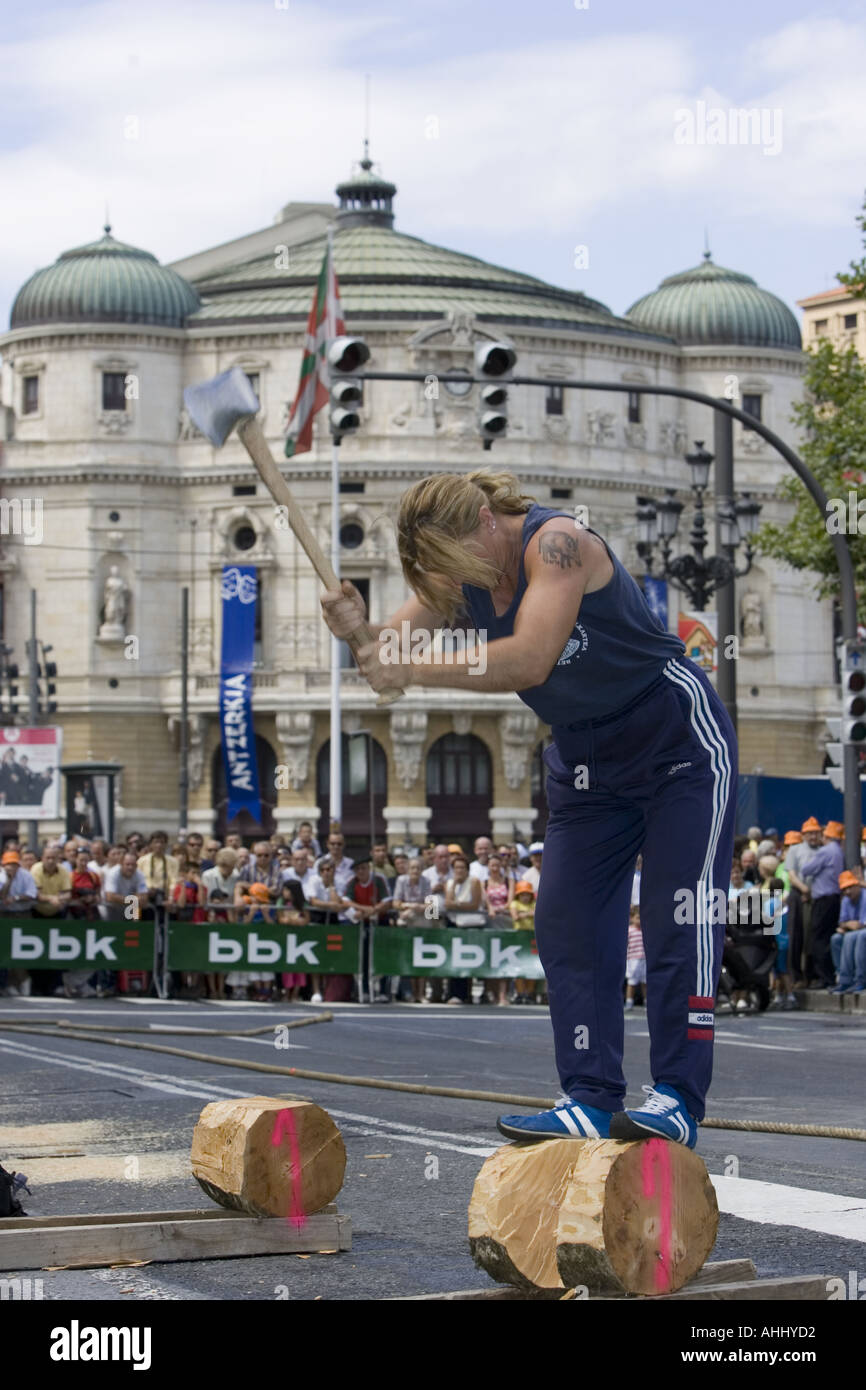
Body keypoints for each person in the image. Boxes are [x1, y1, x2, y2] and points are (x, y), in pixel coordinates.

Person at [321, 468, 737, 1146]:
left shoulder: (559, 545)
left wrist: (405, 670)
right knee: (567, 923)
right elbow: (388, 648)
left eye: (460, 564)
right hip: (583, 758)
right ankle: (589, 1096)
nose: (461, 583)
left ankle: (678, 1098)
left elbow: (529, 659)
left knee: (677, 918)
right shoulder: (464, 567)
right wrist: (357, 630)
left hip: (676, 744)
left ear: (486, 520)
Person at [800, 820, 844, 988]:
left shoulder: (825, 851)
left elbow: (806, 869)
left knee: (818, 939)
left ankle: (824, 977)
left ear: (826, 836)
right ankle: (830, 974)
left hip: (823, 900)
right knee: (828, 936)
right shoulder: (838, 851)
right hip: (834, 899)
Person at [483, 853, 514, 1005]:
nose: (495, 868)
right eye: (492, 865)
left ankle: (503, 995)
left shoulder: (509, 881)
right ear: (488, 867)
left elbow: (511, 900)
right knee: (491, 959)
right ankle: (492, 993)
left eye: (497, 865)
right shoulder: (483, 882)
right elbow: (485, 901)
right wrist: (491, 908)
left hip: (505, 922)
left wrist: (501, 908)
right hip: (490, 922)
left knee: (504, 959)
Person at [830, 871, 866, 994]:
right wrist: (847, 925)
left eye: (850, 887)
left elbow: (860, 925)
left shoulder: (864, 896)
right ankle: (842, 978)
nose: (848, 891)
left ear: (857, 885)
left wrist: (847, 925)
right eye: (844, 889)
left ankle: (859, 979)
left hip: (860, 932)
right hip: (853, 931)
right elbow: (842, 923)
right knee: (836, 938)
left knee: (854, 936)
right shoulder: (846, 900)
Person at [510, 880, 538, 1003]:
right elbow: (515, 917)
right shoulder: (514, 904)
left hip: (532, 940)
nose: (525, 897)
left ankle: (529, 993)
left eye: (527, 894)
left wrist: (525, 914)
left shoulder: (535, 904)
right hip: (519, 939)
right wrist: (528, 914)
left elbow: (537, 914)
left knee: (532, 967)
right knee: (519, 967)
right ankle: (520, 993)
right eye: (522, 895)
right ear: (518, 895)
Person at [625, 905, 646, 1012]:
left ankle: (646, 1001)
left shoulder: (645, 930)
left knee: (645, 982)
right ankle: (629, 1001)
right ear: (632, 918)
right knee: (632, 982)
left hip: (644, 959)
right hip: (632, 959)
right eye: (638, 917)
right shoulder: (629, 931)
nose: (640, 920)